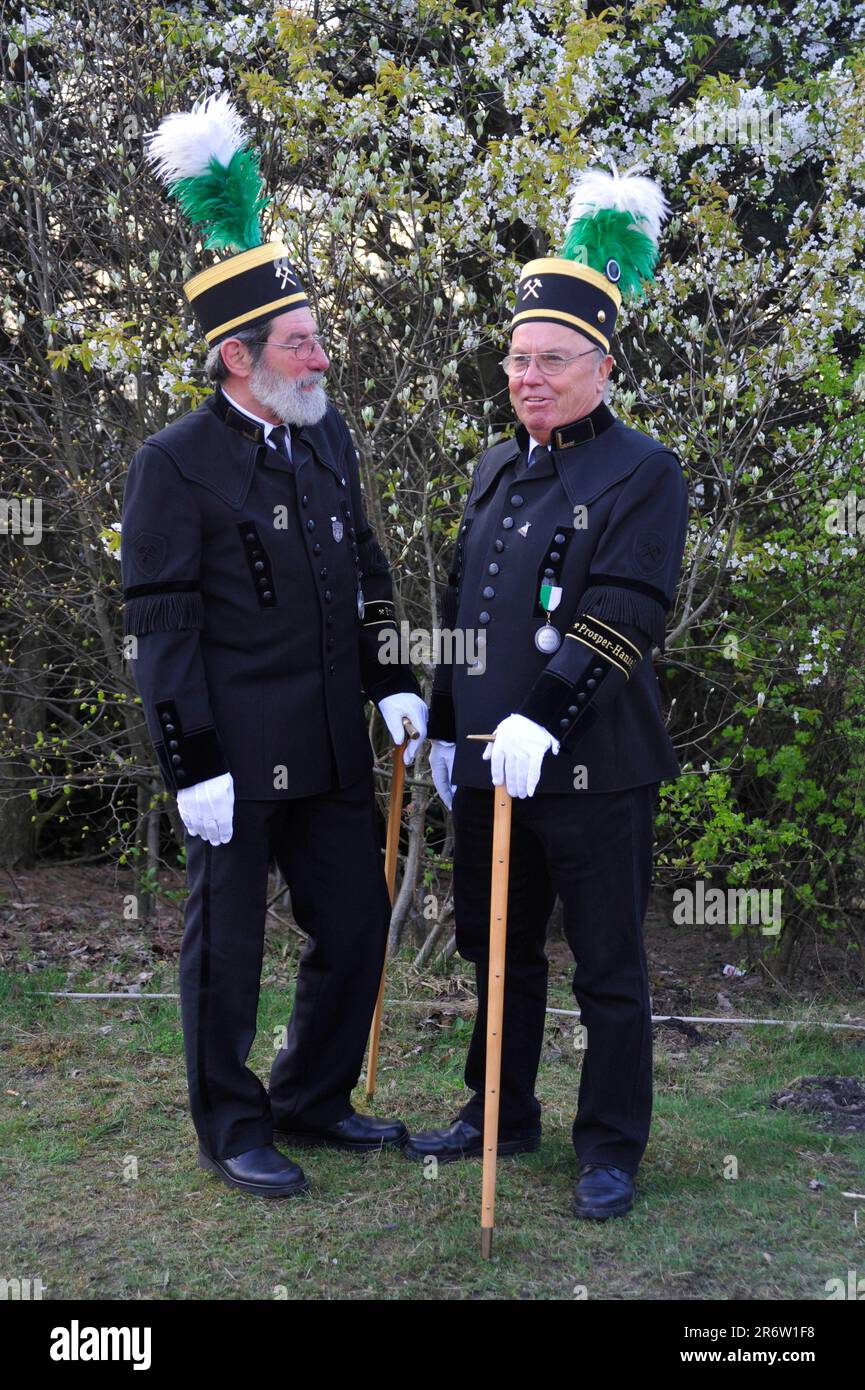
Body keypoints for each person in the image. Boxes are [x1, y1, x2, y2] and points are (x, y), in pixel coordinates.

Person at [122, 95, 427, 1197]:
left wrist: (393, 677)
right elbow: (160, 623)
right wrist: (187, 757)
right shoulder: (175, 461)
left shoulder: (324, 431)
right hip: (234, 757)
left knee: (353, 926)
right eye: (301, 343)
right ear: (239, 358)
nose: (322, 357)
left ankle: (312, 1096)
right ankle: (232, 1125)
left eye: (317, 338)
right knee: (227, 954)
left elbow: (368, 567)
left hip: (335, 749)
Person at [408, 164, 689, 1220]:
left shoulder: (642, 472)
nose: (527, 377)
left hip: (596, 764)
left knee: (608, 963)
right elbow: (464, 605)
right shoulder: (493, 468)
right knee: (497, 949)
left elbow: (622, 608)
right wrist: (445, 724)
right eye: (517, 358)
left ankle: (610, 1144)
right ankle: (498, 1112)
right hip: (488, 762)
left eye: (550, 362)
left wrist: (544, 713)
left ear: (602, 367)